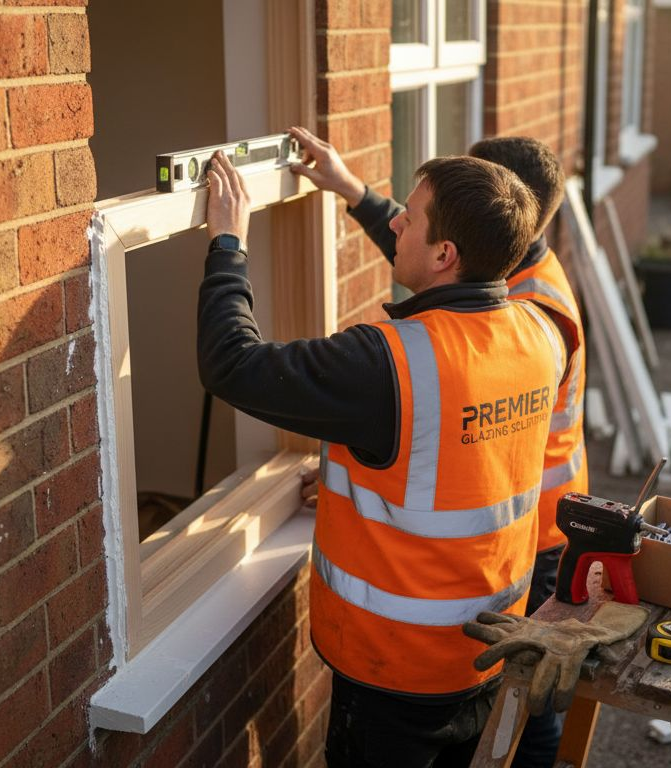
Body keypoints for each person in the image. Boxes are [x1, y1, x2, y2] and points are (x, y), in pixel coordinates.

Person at [199, 149, 568, 767]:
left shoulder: (387, 362)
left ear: (446, 254)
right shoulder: (539, 333)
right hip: (486, 649)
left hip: (396, 674)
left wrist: (227, 242)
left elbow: (231, 364)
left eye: (411, 216)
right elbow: (458, 451)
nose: (396, 223)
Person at [290, 130, 588, 768]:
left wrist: (377, 455)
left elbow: (446, 398)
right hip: (516, 531)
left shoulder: (530, 309)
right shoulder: (520, 278)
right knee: (509, 704)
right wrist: (354, 191)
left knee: (526, 711)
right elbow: (440, 272)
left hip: (530, 541)